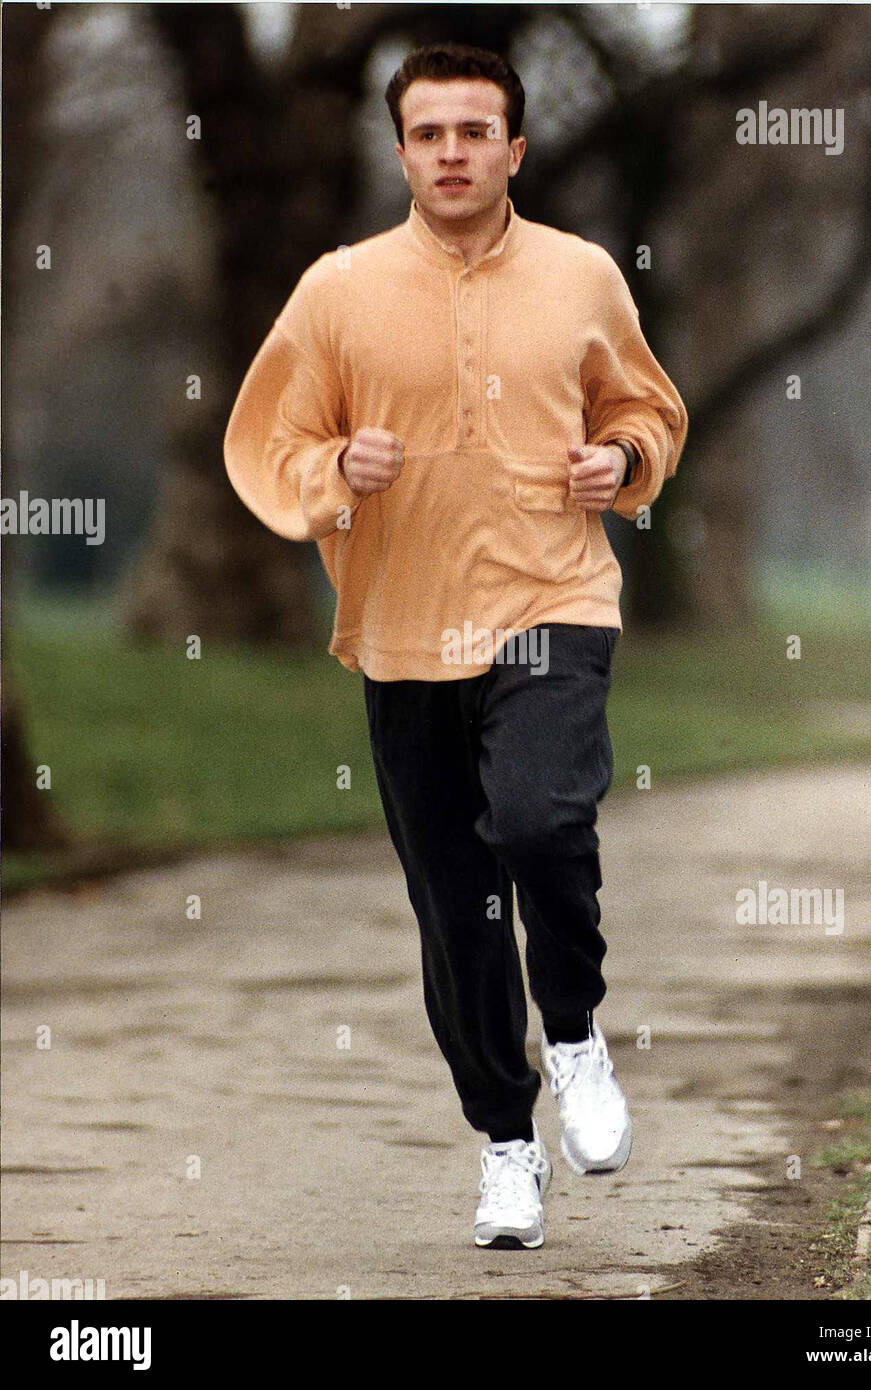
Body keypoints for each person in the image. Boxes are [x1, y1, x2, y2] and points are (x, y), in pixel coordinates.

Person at [224, 41, 688, 1250]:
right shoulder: (338, 289)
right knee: (455, 908)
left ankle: (576, 1034)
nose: (451, 152)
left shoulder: (583, 276)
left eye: (473, 131)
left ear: (514, 149)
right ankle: (506, 1142)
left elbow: (647, 409)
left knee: (541, 821)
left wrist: (621, 462)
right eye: (428, 133)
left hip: (552, 602)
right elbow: (268, 442)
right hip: (404, 630)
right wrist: (335, 470)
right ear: (399, 151)